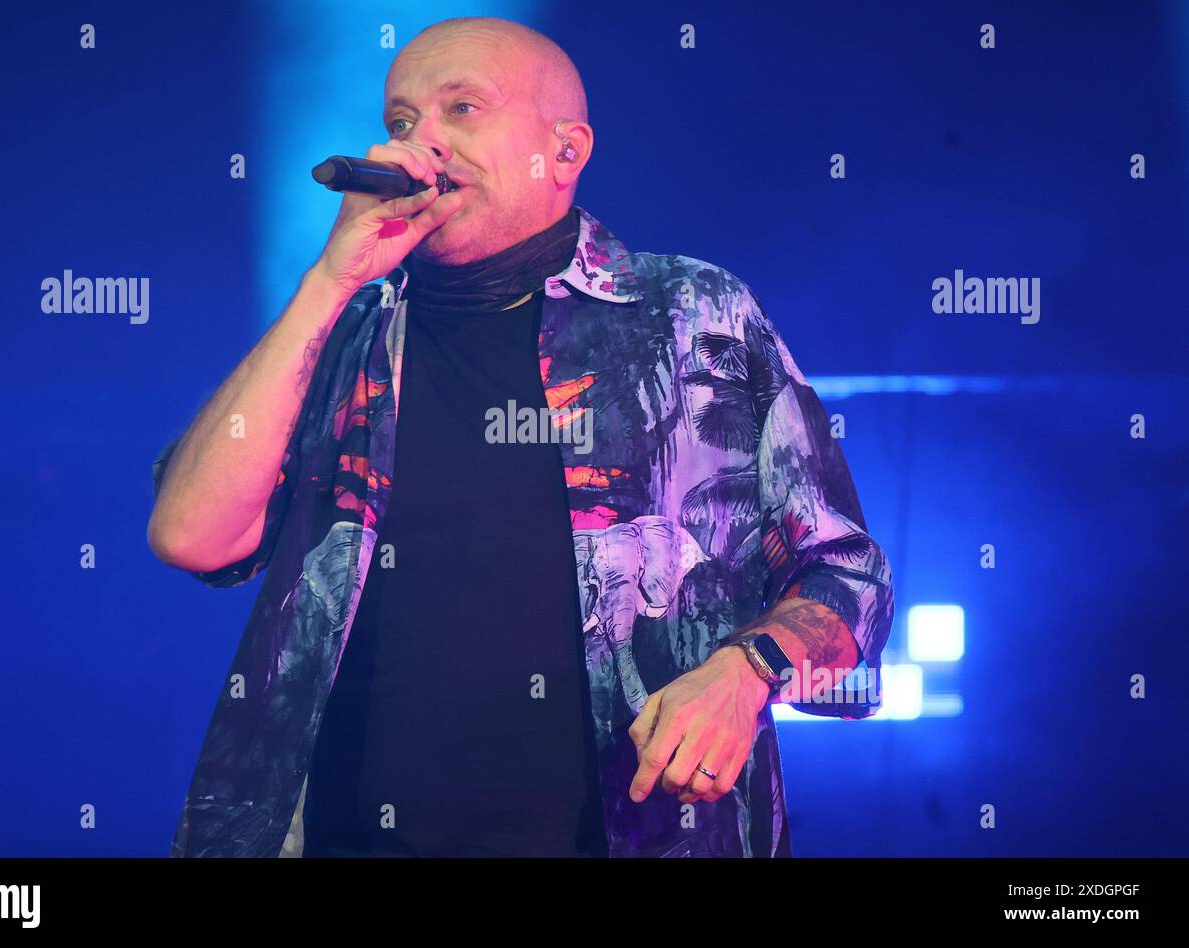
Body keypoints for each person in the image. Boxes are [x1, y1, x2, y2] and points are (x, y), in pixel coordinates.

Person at [148, 16, 894, 858]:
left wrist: (744, 673)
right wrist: (330, 280)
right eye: (399, 122)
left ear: (566, 152)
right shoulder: (346, 334)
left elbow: (847, 575)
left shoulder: (692, 315)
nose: (420, 144)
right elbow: (191, 536)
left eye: (461, 109)